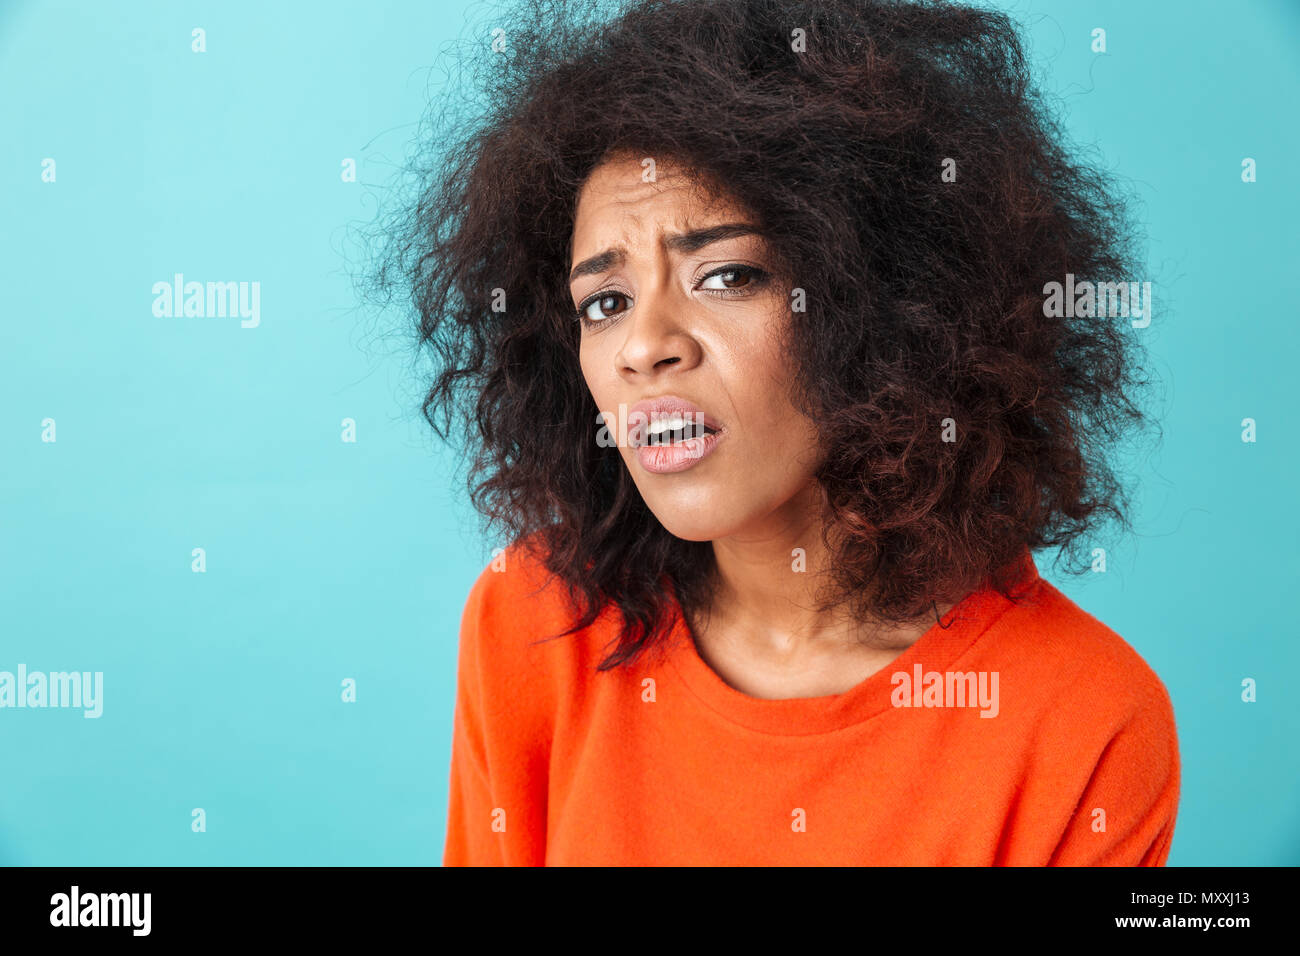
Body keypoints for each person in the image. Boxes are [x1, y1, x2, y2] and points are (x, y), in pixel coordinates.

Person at [377, 0, 1179, 865]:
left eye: (726, 275)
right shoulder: (533, 619)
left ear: (886, 308)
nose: (646, 346)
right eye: (605, 303)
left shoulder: (1083, 719)